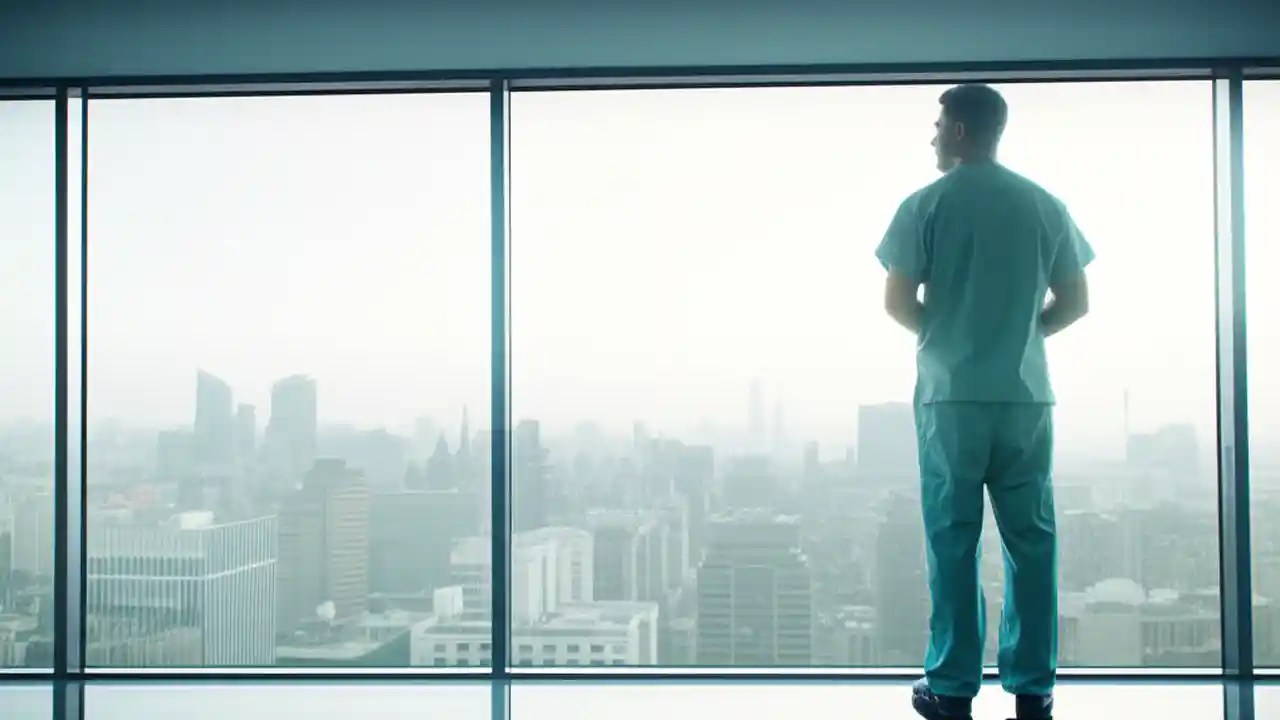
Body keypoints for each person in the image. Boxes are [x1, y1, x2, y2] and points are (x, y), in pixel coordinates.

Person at [875, 84, 1094, 720]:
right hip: (1025, 398)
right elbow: (1075, 303)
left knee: (952, 540)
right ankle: (1033, 690)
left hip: (952, 400)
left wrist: (952, 336)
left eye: (939, 125)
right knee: (1032, 543)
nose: (934, 135)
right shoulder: (1044, 205)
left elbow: (895, 302)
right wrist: (1020, 336)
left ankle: (950, 688)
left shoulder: (924, 206)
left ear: (962, 132)